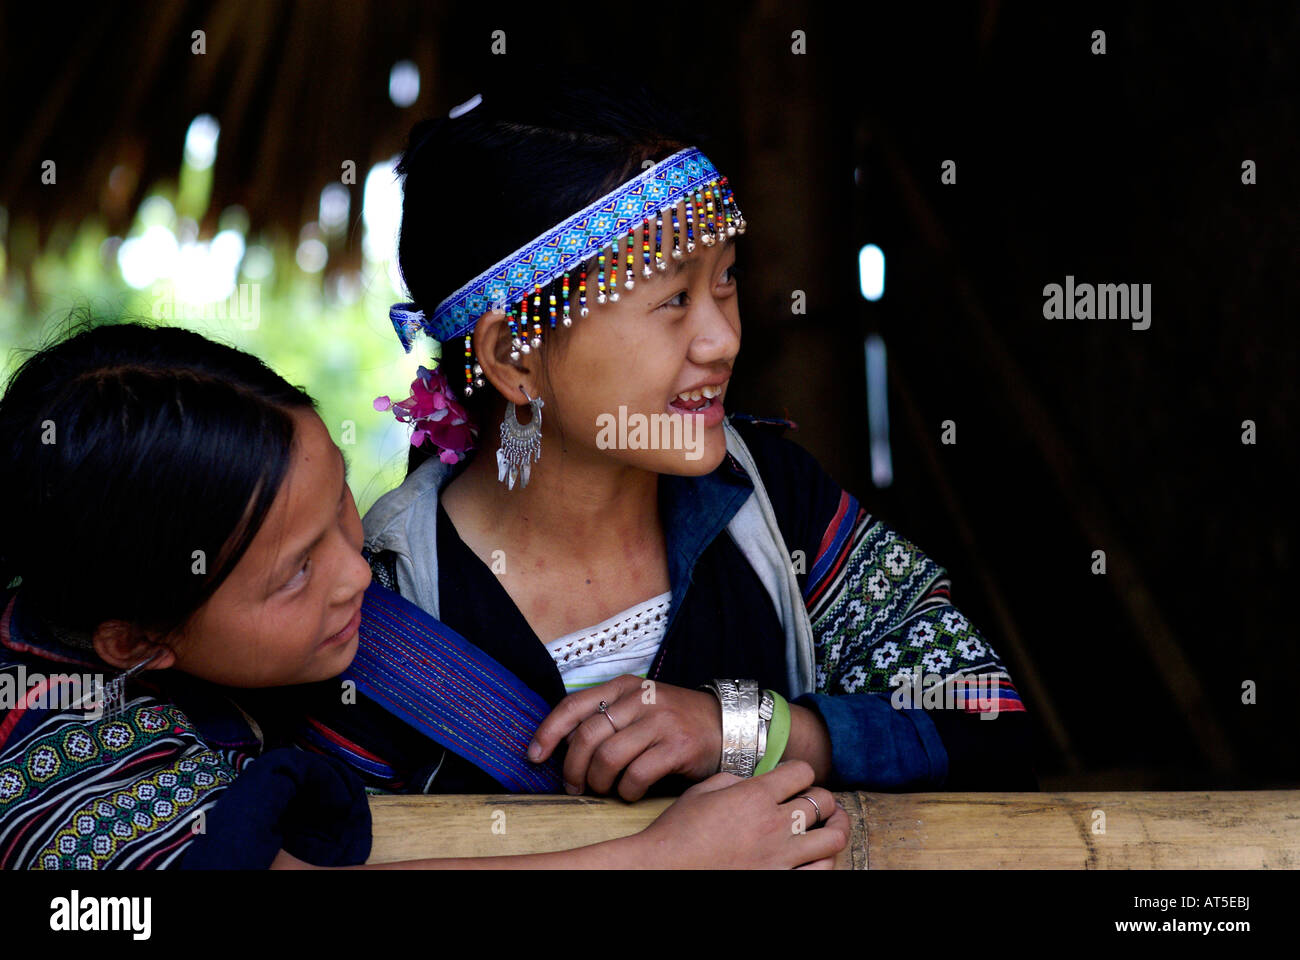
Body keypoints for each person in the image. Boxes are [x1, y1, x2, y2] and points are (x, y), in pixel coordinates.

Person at [309, 79, 1038, 800]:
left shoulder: (774, 505)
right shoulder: (384, 601)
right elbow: (326, 841)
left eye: (725, 281)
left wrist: (746, 732)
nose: (723, 340)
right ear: (513, 356)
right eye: (674, 300)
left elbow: (982, 715)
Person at [0, 319, 847, 869]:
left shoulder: (772, 500)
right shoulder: (49, 768)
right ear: (133, 642)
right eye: (295, 573)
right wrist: (669, 860)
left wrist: (753, 727)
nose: (357, 572)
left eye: (339, 504)